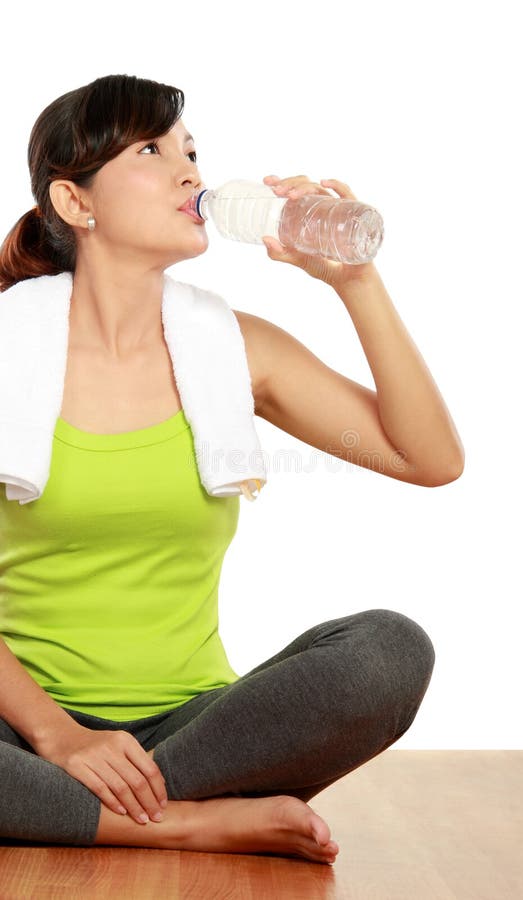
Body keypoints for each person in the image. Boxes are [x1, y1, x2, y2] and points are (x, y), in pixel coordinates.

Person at [0, 74, 461, 863]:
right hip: (23, 723)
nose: (190, 170)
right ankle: (188, 821)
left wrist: (356, 282)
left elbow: (428, 459)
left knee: (390, 649)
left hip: (197, 727)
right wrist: (60, 736)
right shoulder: (9, 357)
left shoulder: (234, 351)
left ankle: (95, 810)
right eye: (152, 149)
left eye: (190, 149)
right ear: (77, 204)